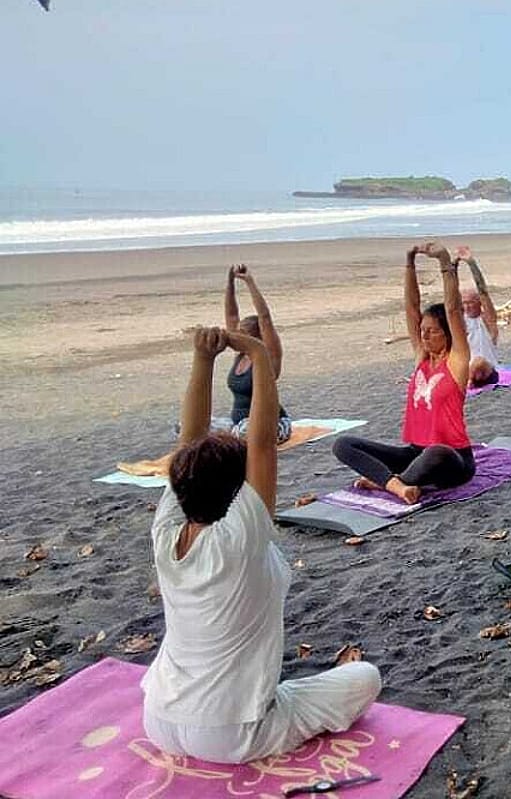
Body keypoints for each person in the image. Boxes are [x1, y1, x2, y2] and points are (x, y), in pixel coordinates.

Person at [142, 326, 380, 764]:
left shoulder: (166, 533)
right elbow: (264, 443)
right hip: (234, 733)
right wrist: (257, 354)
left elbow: (188, 443)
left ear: (180, 483)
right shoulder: (239, 535)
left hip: (159, 718)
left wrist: (202, 358)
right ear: (238, 491)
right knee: (365, 678)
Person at [332, 242, 475, 504]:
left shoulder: (456, 361)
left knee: (437, 452)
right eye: (423, 329)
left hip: (453, 460)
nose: (424, 334)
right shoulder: (423, 357)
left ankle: (392, 482)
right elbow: (411, 307)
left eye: (432, 330)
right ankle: (398, 484)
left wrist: (444, 262)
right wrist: (409, 261)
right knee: (343, 444)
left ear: (448, 333)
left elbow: (453, 310)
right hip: (415, 453)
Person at [223, 265, 292, 443]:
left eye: (244, 333)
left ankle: (231, 439)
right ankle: (230, 437)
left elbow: (265, 318)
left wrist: (249, 282)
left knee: (245, 433)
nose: (238, 336)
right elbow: (231, 315)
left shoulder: (268, 358)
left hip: (271, 424)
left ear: (257, 337)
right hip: (237, 423)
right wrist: (230, 282)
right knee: (186, 426)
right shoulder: (240, 355)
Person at [456, 246, 501, 387]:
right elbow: (452, 296)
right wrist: (453, 266)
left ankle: (468, 382)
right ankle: (466, 379)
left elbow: (483, 292)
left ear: (478, 303)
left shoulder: (487, 320)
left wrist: (471, 263)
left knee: (479, 362)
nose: (467, 306)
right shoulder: (461, 321)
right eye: (465, 303)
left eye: (471, 302)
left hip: (487, 370)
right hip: (465, 368)